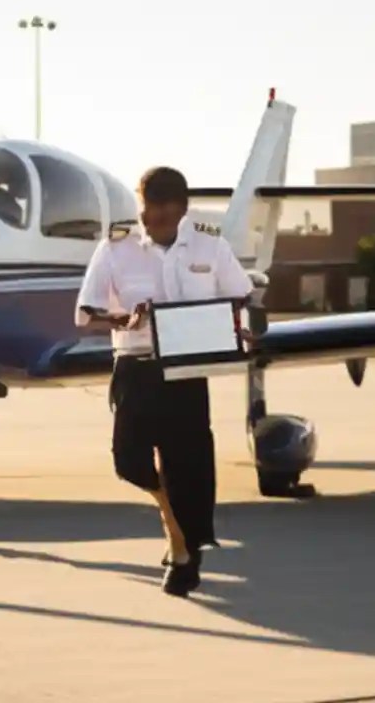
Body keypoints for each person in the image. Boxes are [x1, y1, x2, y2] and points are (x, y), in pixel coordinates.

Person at [74, 165, 253, 597]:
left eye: (161, 214)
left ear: (181, 210)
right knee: (129, 461)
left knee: (187, 466)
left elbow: (242, 295)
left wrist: (240, 325)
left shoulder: (210, 246)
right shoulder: (116, 249)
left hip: (187, 372)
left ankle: (184, 553)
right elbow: (86, 312)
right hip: (136, 365)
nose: (151, 221)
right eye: (146, 211)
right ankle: (175, 528)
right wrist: (124, 317)